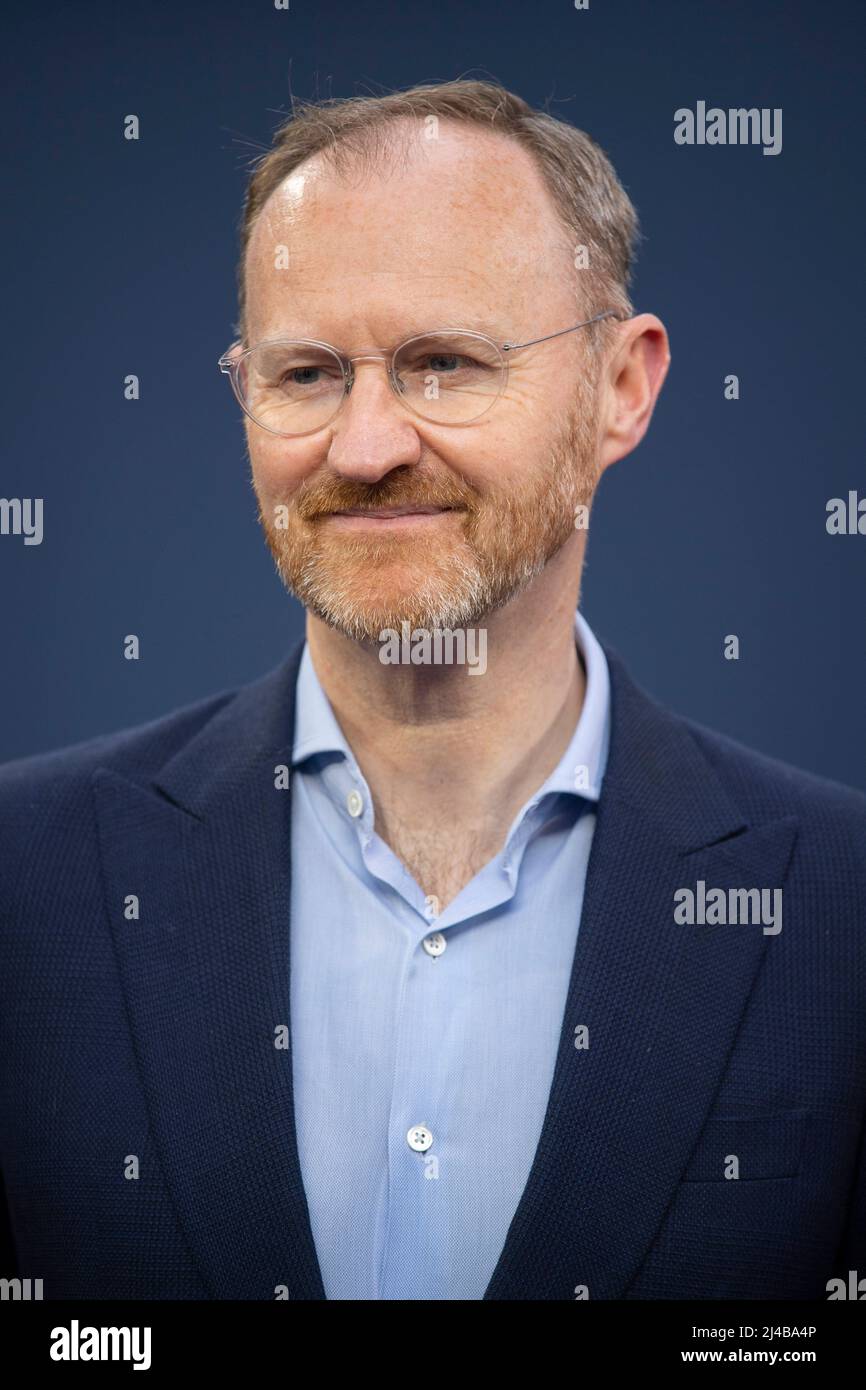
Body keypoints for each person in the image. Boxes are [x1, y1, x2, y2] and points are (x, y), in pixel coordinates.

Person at [1, 79, 863, 1302]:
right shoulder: (24, 882)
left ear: (620, 388)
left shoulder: (838, 904)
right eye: (307, 374)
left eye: (443, 364)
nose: (364, 448)